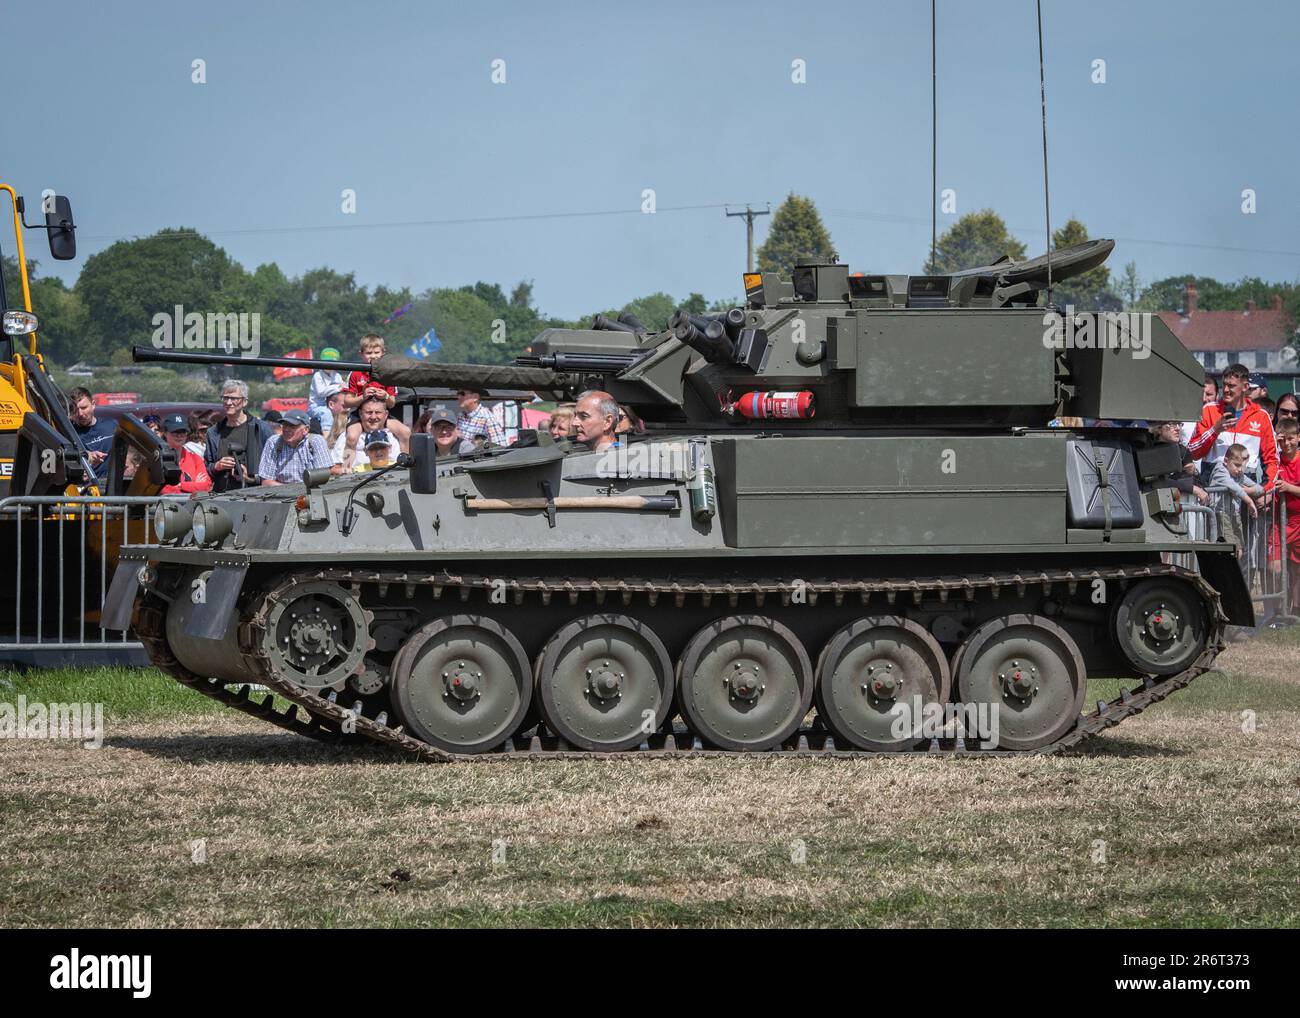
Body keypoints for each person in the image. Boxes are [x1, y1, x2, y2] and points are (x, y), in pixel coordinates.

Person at [1188, 362, 1277, 500]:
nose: (1226, 389)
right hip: (1213, 490)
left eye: (1232, 386)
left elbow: (1271, 460)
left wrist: (1265, 489)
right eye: (1224, 385)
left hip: (1247, 490)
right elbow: (1192, 452)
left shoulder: (1261, 416)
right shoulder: (1209, 410)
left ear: (1245, 387)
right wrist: (1215, 430)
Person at [205, 379, 274, 492]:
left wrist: (251, 478)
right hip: (221, 497)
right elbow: (207, 468)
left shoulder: (261, 429)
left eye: (234, 398)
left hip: (256, 496)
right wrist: (217, 466)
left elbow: (273, 468)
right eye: (226, 398)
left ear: (244, 402)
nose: (228, 402)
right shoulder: (214, 432)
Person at [1270, 418, 1300, 614]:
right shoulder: (1275, 459)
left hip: (1298, 521)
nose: (1286, 444)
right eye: (1282, 440)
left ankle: (1296, 610)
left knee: (1297, 570)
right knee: (1276, 567)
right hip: (1278, 521)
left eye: (1291, 439)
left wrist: (1289, 488)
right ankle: (1278, 611)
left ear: (1298, 438)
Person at [258, 410, 332, 485]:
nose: (286, 429)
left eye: (292, 426)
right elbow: (266, 481)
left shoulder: (315, 441)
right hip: (281, 494)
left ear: (305, 430)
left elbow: (323, 478)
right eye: (285, 425)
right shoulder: (273, 442)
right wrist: (291, 491)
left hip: (311, 493)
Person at [1148, 421, 1209, 505]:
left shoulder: (1182, 450)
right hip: (1165, 505)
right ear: (1159, 429)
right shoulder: (1150, 452)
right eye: (1171, 424)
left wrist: (1194, 472)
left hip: (1190, 508)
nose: (1178, 428)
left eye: (1179, 424)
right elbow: (1158, 481)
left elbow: (1196, 481)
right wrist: (1192, 489)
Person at [341, 394, 404, 469]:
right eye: (369, 412)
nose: (373, 417)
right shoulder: (347, 437)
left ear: (386, 414)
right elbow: (336, 470)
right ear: (360, 414)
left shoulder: (397, 435)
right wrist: (347, 470)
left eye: (378, 412)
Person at [159, 414, 213, 495]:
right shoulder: (158, 459)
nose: (179, 435)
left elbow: (206, 486)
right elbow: (163, 490)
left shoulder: (195, 459)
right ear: (165, 433)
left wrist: (181, 485)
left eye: (183, 431)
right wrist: (195, 485)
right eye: (175, 431)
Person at [67, 387, 115, 478]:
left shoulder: (112, 425)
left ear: (93, 404)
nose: (80, 413)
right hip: (89, 487)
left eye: (84, 408)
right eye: (76, 410)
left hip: (113, 485)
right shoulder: (70, 435)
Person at [343, 334, 398, 413]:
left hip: (382, 415)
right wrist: (363, 397)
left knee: (398, 426)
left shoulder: (389, 374)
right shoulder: (355, 373)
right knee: (353, 426)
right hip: (358, 415)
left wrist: (386, 396)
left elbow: (392, 404)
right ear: (361, 354)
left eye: (376, 352)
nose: (373, 356)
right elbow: (347, 402)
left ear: (383, 353)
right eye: (369, 353)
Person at [309, 348, 346, 417]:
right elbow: (321, 392)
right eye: (326, 362)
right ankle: (326, 428)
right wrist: (338, 387)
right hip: (316, 406)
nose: (329, 365)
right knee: (327, 413)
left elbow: (343, 387)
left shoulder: (337, 375)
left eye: (332, 363)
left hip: (332, 405)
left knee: (345, 411)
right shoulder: (318, 375)